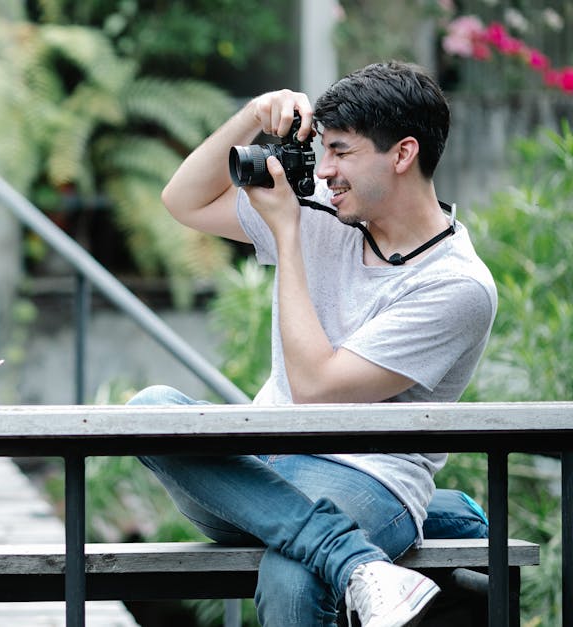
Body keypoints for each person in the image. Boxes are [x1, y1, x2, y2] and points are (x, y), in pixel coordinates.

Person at [133, 61, 496, 626]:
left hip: (365, 476)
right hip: (260, 464)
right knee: (151, 410)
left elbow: (316, 389)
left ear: (402, 154)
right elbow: (183, 201)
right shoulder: (325, 211)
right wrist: (253, 115)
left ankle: (388, 533)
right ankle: (356, 562)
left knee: (293, 575)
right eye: (322, 150)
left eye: (342, 152)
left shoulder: (456, 285)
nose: (324, 171)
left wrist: (287, 236)